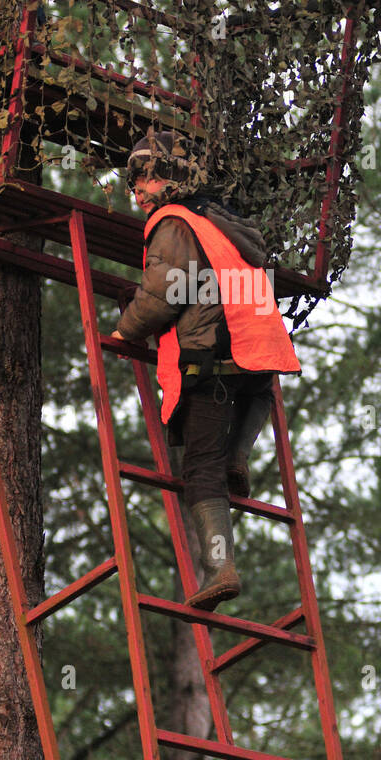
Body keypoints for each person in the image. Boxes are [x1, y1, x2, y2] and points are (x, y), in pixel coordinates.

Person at [110, 130, 301, 612]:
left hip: (211, 358)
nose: (137, 193)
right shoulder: (226, 222)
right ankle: (240, 455)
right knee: (258, 397)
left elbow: (163, 292)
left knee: (200, 469)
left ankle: (220, 568)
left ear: (169, 178)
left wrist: (124, 331)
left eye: (143, 180)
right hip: (258, 354)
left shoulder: (172, 222)